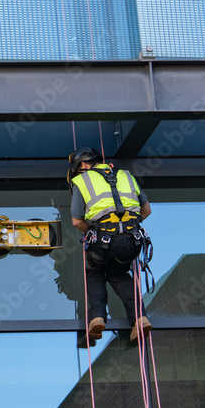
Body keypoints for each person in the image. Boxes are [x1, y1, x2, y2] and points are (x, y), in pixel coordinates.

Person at [68, 147, 152, 344]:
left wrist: (96, 232)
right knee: (120, 274)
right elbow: (146, 210)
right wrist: (126, 226)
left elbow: (77, 222)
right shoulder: (126, 176)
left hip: (103, 241)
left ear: (83, 165)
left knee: (94, 271)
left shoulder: (81, 181)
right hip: (133, 240)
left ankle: (97, 317)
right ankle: (140, 319)